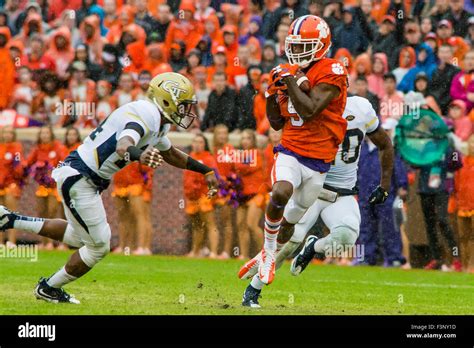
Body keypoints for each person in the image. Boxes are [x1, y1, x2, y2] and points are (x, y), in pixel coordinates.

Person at [0, 72, 219, 304]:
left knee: (78, 237)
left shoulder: (157, 121)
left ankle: (9, 220)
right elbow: (124, 144)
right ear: (167, 100)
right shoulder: (146, 114)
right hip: (81, 176)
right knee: (98, 247)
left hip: (81, 176)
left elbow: (171, 153)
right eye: (183, 105)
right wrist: (140, 154)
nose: (186, 112)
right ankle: (49, 287)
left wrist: (205, 170)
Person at [241, 15, 349, 307]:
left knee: (291, 224)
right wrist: (270, 93)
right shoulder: (290, 71)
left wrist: (289, 79)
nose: (299, 51)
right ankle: (267, 252)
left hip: (319, 162)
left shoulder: (333, 70)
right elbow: (276, 123)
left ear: (322, 45)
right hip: (290, 149)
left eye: (306, 45)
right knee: (281, 191)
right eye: (295, 45)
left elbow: (311, 109)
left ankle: (268, 255)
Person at [239, 96, 394, 291]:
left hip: (342, 192)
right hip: (312, 186)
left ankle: (313, 248)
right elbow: (280, 127)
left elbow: (385, 144)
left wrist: (385, 186)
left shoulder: (361, 107)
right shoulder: (311, 107)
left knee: (346, 238)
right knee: (287, 244)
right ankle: (253, 290)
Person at [25, 126, 66, 250]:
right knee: (42, 213)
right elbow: (28, 163)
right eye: (42, 133)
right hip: (42, 187)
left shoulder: (58, 147)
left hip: (55, 187)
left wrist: (52, 172)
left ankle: (57, 243)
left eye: (47, 132)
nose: (45, 135)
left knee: (53, 213)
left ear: (51, 134)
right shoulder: (37, 149)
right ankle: (45, 242)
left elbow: (64, 163)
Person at [184, 133, 219, 258]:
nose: (197, 144)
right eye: (195, 141)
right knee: (196, 225)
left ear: (205, 145)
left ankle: (213, 252)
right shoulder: (189, 157)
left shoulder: (209, 158)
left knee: (210, 224)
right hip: (192, 197)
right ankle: (196, 251)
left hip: (204, 196)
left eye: (200, 142)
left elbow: (214, 178)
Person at [235, 130, 265, 259]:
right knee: (240, 225)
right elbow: (237, 168)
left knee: (252, 224)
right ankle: (244, 255)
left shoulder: (257, 153)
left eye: (248, 138)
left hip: (256, 193)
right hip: (242, 193)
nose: (245, 141)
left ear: (253, 141)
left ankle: (265, 255)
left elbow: (247, 168)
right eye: (243, 138)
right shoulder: (240, 154)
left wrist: (238, 166)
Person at [212, 124, 235, 259]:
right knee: (213, 221)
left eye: (224, 133)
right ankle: (213, 249)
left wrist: (226, 182)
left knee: (226, 221)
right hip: (213, 189)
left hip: (225, 190)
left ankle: (226, 251)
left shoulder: (230, 150)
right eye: (219, 133)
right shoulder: (212, 149)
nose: (222, 136)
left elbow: (235, 170)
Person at [0, 126, 24, 247]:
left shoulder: (17, 148)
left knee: (11, 213)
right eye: (5, 132)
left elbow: (19, 165)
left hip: (10, 184)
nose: (8, 135)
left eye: (10, 132)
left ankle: (11, 241)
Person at [453, 134, 474, 272]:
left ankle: (472, 265)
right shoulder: (462, 162)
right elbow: (456, 183)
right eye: (472, 142)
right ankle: (465, 264)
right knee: (462, 237)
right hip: (462, 204)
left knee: (472, 237)